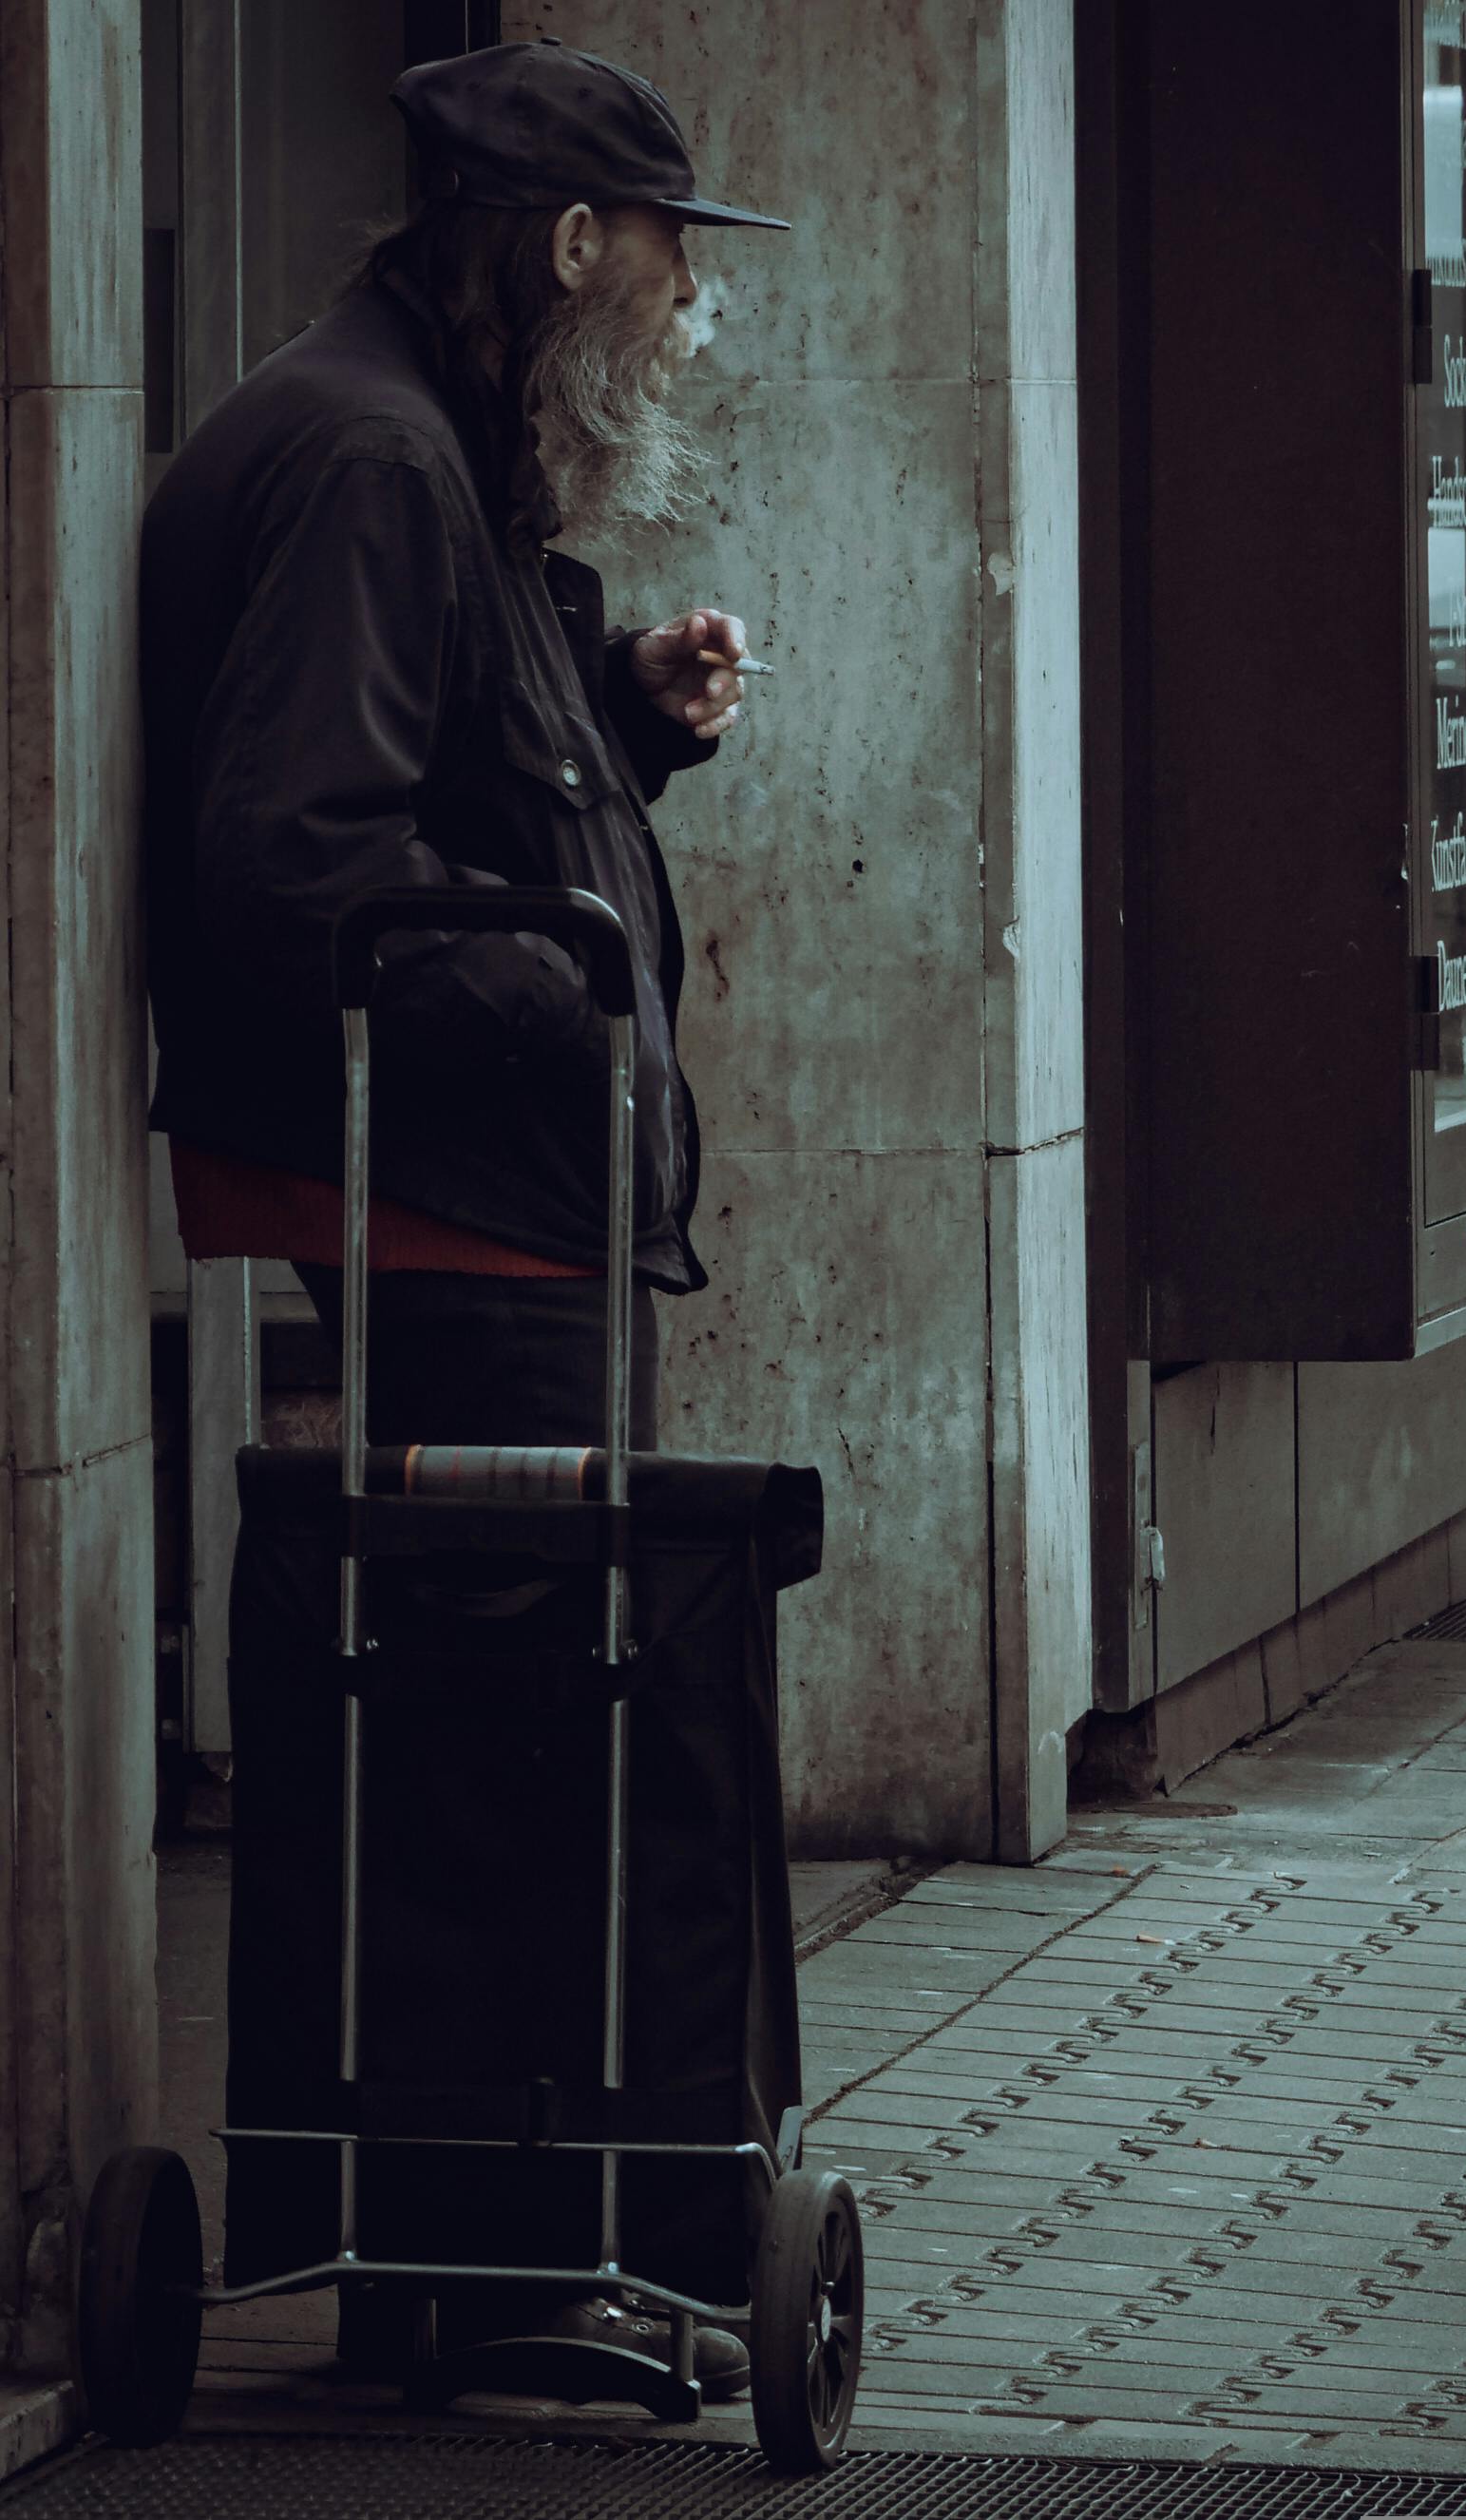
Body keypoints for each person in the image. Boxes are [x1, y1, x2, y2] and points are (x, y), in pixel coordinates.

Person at [140, 36, 790, 2405]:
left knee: (506, 1692)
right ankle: (488, 2272)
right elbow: (293, 857)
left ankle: (491, 2246)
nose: (686, 322)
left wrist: (615, 719)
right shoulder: (370, 456)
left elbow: (428, 779)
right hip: (436, 1173)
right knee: (509, 1703)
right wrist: (572, 981)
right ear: (567, 246)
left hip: (464, 1168)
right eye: (668, 267)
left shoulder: (416, 441)